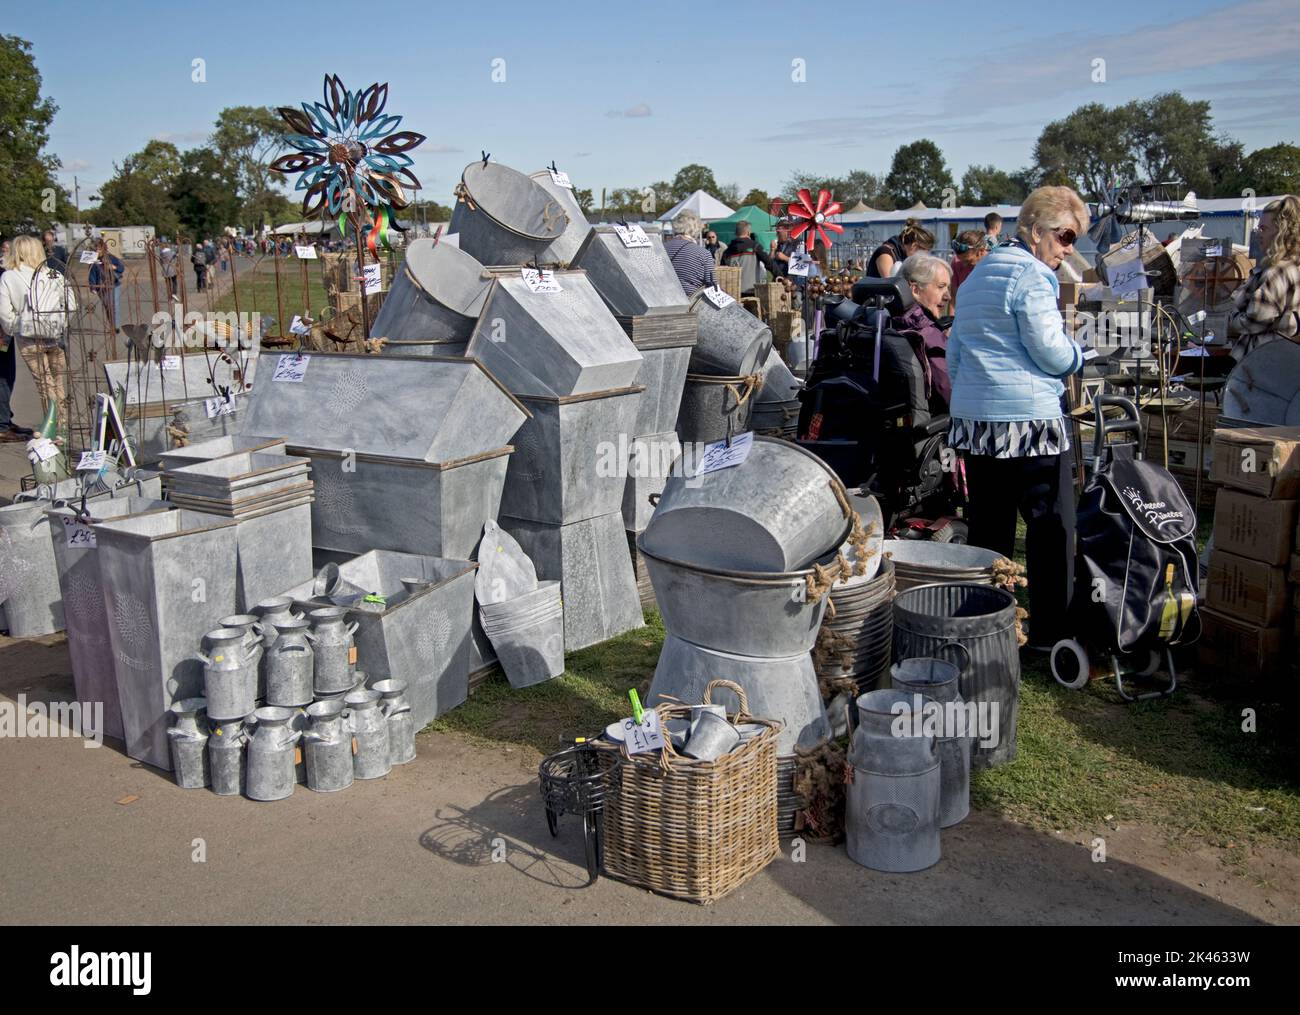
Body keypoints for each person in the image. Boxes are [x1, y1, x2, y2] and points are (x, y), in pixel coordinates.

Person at [947, 186, 1090, 649]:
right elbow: (1049, 350)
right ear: (1036, 229)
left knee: (990, 530)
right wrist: (1076, 355)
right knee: (1051, 529)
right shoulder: (1030, 276)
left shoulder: (973, 278)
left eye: (1074, 238)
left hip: (978, 422)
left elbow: (955, 355)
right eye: (1065, 235)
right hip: (1030, 424)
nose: (1069, 248)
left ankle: (987, 626)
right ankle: (1052, 632)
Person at [0, 234, 75, 424]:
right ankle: (62, 422)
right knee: (58, 380)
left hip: (28, 335)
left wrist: (15, 327)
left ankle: (52, 423)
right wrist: (61, 323)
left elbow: (4, 312)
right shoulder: (52, 274)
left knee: (43, 382)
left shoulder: (9, 276)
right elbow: (71, 304)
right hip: (53, 333)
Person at [1228, 194, 1300, 361]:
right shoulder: (1294, 267)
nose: (1259, 233)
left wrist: (1234, 318)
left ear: (1280, 231)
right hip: (1288, 361)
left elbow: (1255, 320)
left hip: (1263, 363)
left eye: (1263, 228)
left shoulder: (1277, 272)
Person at [894, 253, 954, 409]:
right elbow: (949, 392)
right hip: (932, 422)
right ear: (915, 290)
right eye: (941, 287)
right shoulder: (925, 333)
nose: (948, 296)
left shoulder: (884, 321)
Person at [0, 238, 35, 442]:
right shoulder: (5, 274)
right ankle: (2, 425)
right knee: (4, 377)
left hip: (5, 334)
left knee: (7, 376)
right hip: (2, 333)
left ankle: (5, 419)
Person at [663, 210, 717, 295]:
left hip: (663, 300)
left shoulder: (661, 249)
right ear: (696, 229)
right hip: (690, 304)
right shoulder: (704, 254)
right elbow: (712, 287)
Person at [866, 218, 934, 278]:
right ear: (914, 246)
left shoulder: (903, 256)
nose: (923, 257)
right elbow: (889, 285)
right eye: (923, 253)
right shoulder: (886, 254)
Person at [722, 220, 776, 294]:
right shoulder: (755, 246)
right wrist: (781, 276)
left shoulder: (727, 251)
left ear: (736, 233)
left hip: (733, 293)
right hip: (752, 291)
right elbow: (769, 263)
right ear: (748, 233)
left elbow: (722, 271)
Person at [88, 240, 125, 332]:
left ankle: (115, 327)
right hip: (101, 287)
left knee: (114, 305)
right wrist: (92, 287)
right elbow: (91, 274)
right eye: (95, 249)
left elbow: (121, 268)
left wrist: (113, 267)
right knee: (107, 306)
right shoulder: (92, 261)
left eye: (99, 249)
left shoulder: (110, 258)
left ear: (103, 249)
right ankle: (112, 325)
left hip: (113, 284)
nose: (97, 251)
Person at [949, 229, 990, 310]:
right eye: (961, 260)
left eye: (968, 261)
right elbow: (954, 298)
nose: (963, 265)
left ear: (981, 251)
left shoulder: (993, 265)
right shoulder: (956, 262)